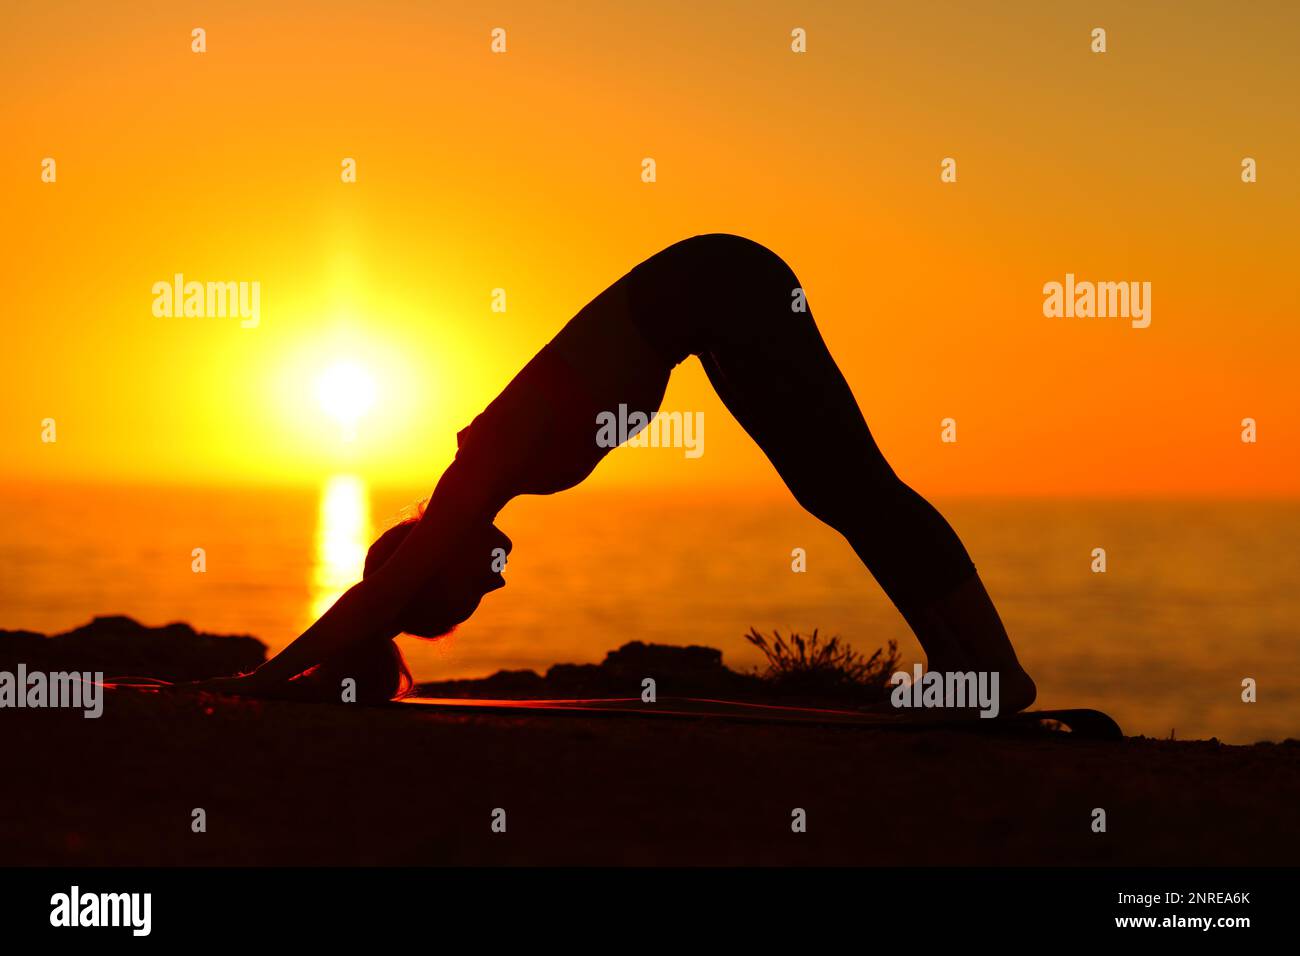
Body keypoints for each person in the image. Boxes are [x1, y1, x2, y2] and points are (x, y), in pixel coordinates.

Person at [195, 234, 1037, 712]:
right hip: (716, 299)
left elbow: (376, 597)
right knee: (840, 489)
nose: (495, 583)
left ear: (429, 554)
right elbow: (388, 598)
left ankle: (991, 672)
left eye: (464, 590)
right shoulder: (493, 474)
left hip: (720, 284)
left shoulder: (477, 470)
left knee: (850, 484)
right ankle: (970, 671)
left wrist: (261, 681)